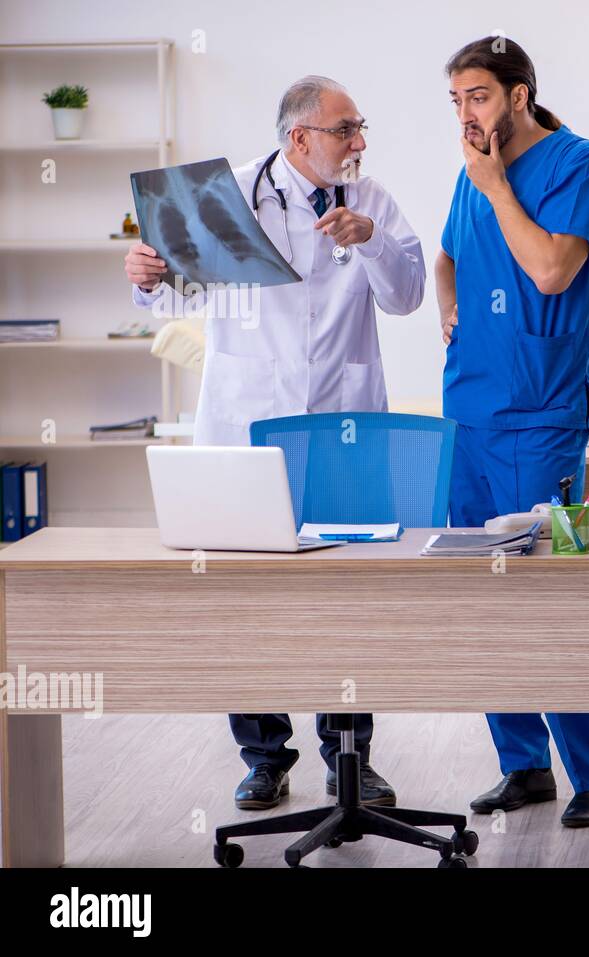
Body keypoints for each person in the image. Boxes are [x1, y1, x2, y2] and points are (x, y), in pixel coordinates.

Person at [123, 75, 425, 811]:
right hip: (247, 424)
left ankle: (350, 757)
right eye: (345, 129)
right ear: (299, 138)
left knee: (346, 595)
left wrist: (372, 242)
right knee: (244, 598)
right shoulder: (225, 199)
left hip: (343, 423)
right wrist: (145, 276)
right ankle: (264, 757)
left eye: (360, 127)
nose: (359, 141)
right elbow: (172, 293)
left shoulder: (371, 200)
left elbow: (408, 295)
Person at [437, 37, 589, 827]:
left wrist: (496, 186)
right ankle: (523, 764)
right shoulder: (471, 172)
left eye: (478, 96)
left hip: (546, 413)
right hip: (468, 412)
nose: (465, 114)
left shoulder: (583, 164)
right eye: (456, 101)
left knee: (554, 593)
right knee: (483, 597)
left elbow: (551, 270)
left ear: (519, 95)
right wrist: (447, 305)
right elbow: (449, 254)